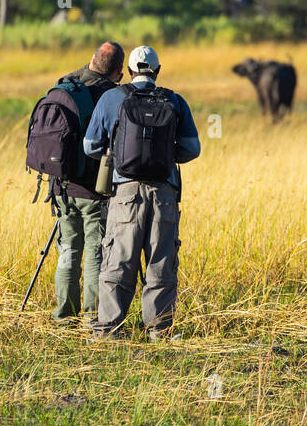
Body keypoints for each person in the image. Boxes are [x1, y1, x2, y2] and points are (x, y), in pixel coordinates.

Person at [84, 45, 200, 337]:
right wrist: (165, 154)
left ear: (130, 72)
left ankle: (110, 330)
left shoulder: (112, 98)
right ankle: (159, 330)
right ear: (157, 72)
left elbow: (90, 146)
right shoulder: (174, 100)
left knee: (118, 261)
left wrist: (115, 151)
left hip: (125, 194)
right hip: (164, 194)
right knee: (161, 261)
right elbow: (192, 149)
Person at [51, 41, 124, 321]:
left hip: (60, 185)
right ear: (118, 71)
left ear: (92, 60)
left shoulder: (66, 83)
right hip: (93, 187)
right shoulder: (110, 94)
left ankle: (63, 316)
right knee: (95, 251)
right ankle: (92, 317)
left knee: (68, 250)